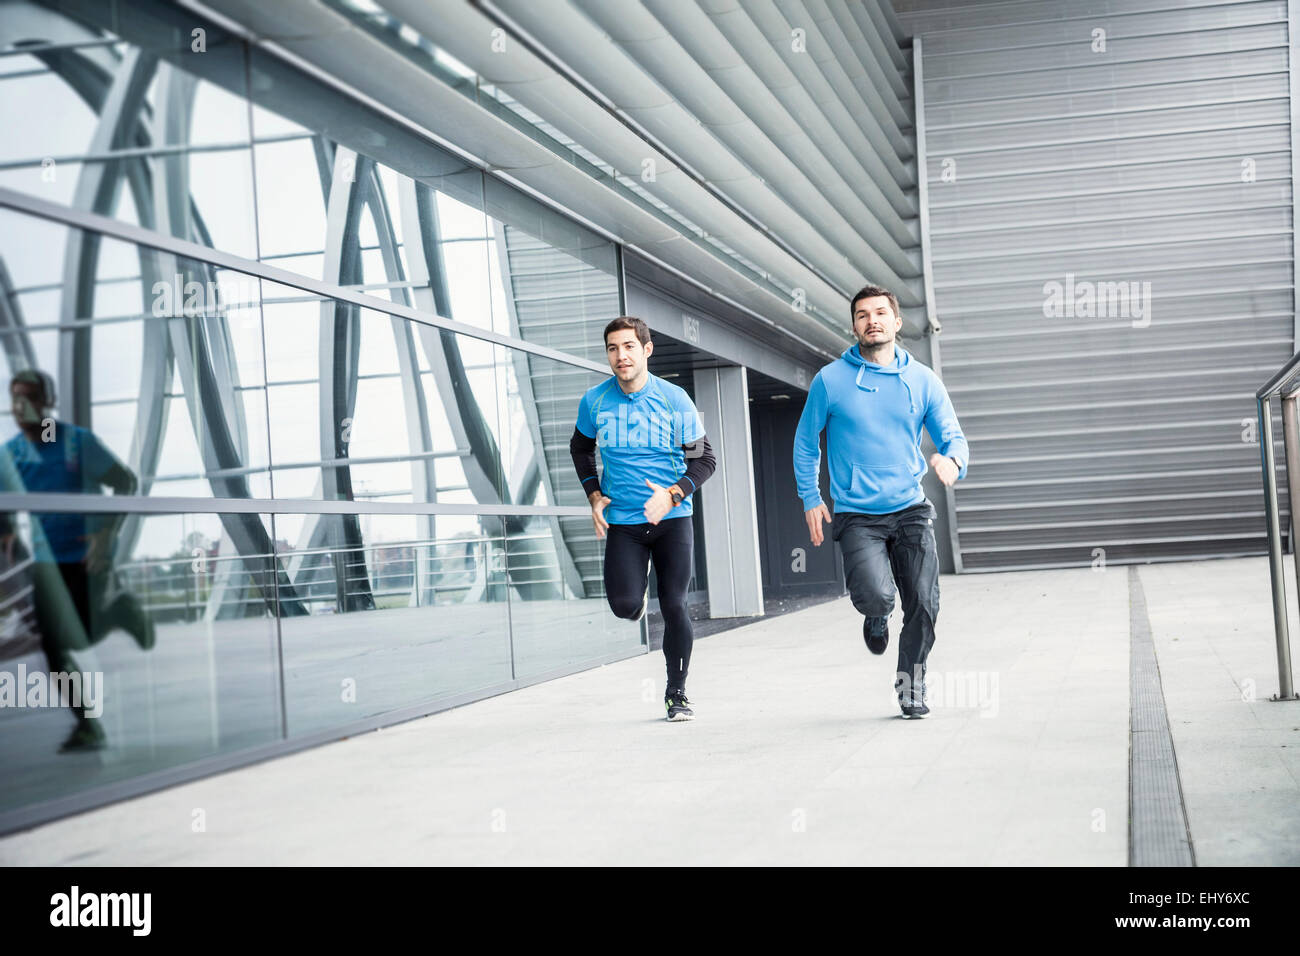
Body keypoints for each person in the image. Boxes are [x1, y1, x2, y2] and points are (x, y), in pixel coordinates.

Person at [793, 286, 969, 718]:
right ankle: (876, 614)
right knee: (876, 595)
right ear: (853, 326)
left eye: (879, 313)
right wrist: (811, 497)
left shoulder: (923, 380)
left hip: (911, 508)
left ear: (896, 322)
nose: (871, 320)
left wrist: (953, 462)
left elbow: (954, 438)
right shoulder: (830, 381)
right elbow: (804, 443)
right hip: (857, 515)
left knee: (925, 603)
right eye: (861, 315)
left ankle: (911, 685)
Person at [569, 317, 716, 721]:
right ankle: (635, 593)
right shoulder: (595, 401)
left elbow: (704, 460)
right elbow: (580, 449)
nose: (621, 356)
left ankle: (677, 693)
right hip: (625, 523)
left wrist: (672, 494)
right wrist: (594, 494)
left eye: (629, 347)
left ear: (647, 350)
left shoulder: (674, 400)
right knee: (625, 604)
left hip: (672, 519)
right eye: (613, 348)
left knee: (674, 604)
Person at [0, 369, 154, 751]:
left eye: (29, 396)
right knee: (54, 644)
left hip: (88, 556)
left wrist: (106, 534)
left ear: (47, 401)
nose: (20, 405)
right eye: (14, 397)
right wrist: (6, 533)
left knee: (79, 635)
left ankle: (119, 608)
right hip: (48, 563)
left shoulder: (76, 443)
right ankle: (88, 724)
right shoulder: (11, 455)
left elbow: (126, 482)